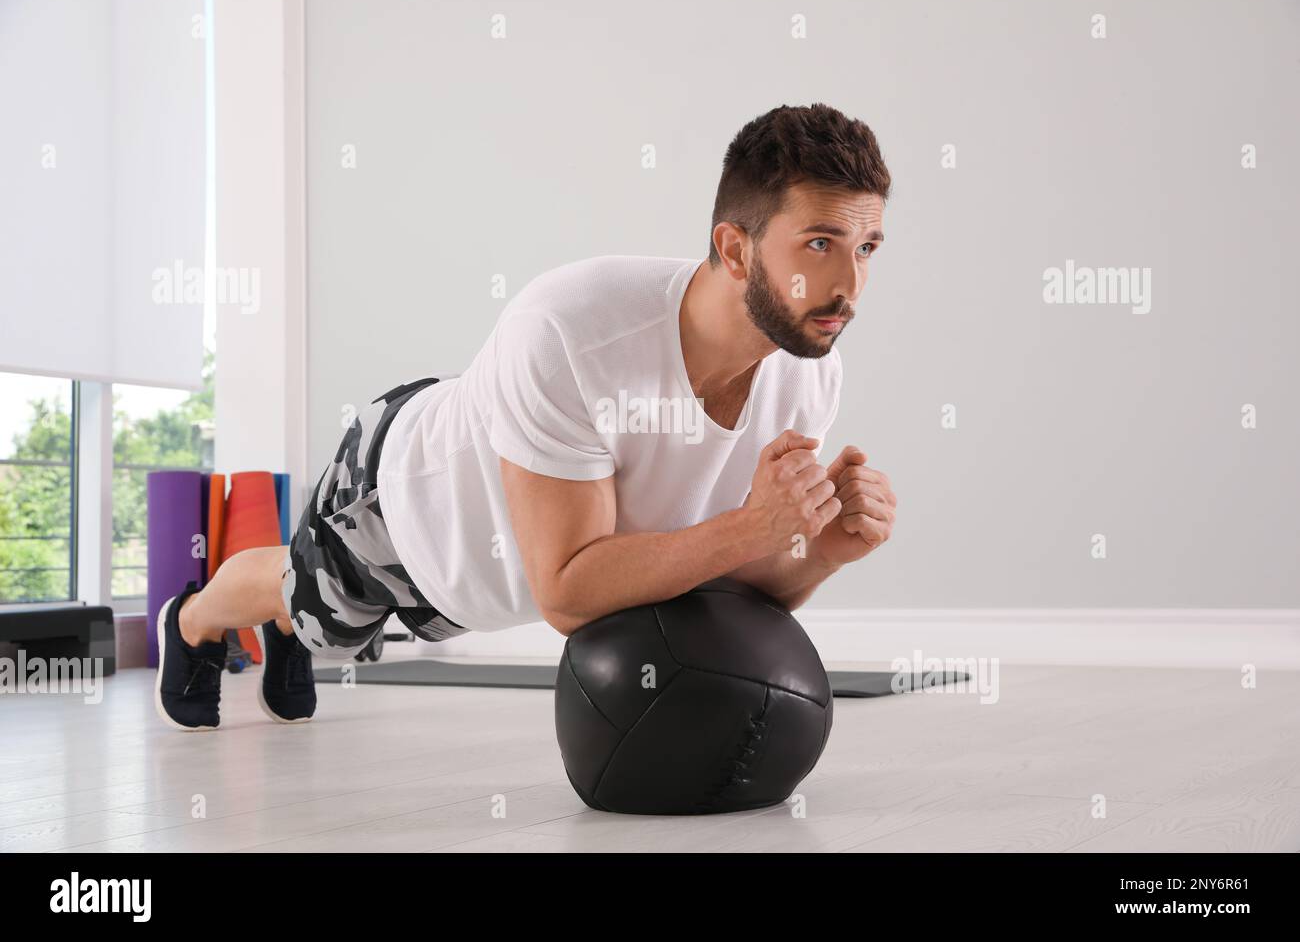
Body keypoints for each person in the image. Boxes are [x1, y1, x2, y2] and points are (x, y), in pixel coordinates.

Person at [154, 102, 898, 731]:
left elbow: (723, 585)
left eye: (867, 247)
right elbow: (570, 592)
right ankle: (191, 622)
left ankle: (290, 627)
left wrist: (820, 549)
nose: (850, 285)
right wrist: (752, 528)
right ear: (735, 249)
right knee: (314, 607)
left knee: (328, 626)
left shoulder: (809, 377)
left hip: (490, 580)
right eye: (820, 244)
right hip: (406, 496)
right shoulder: (572, 330)